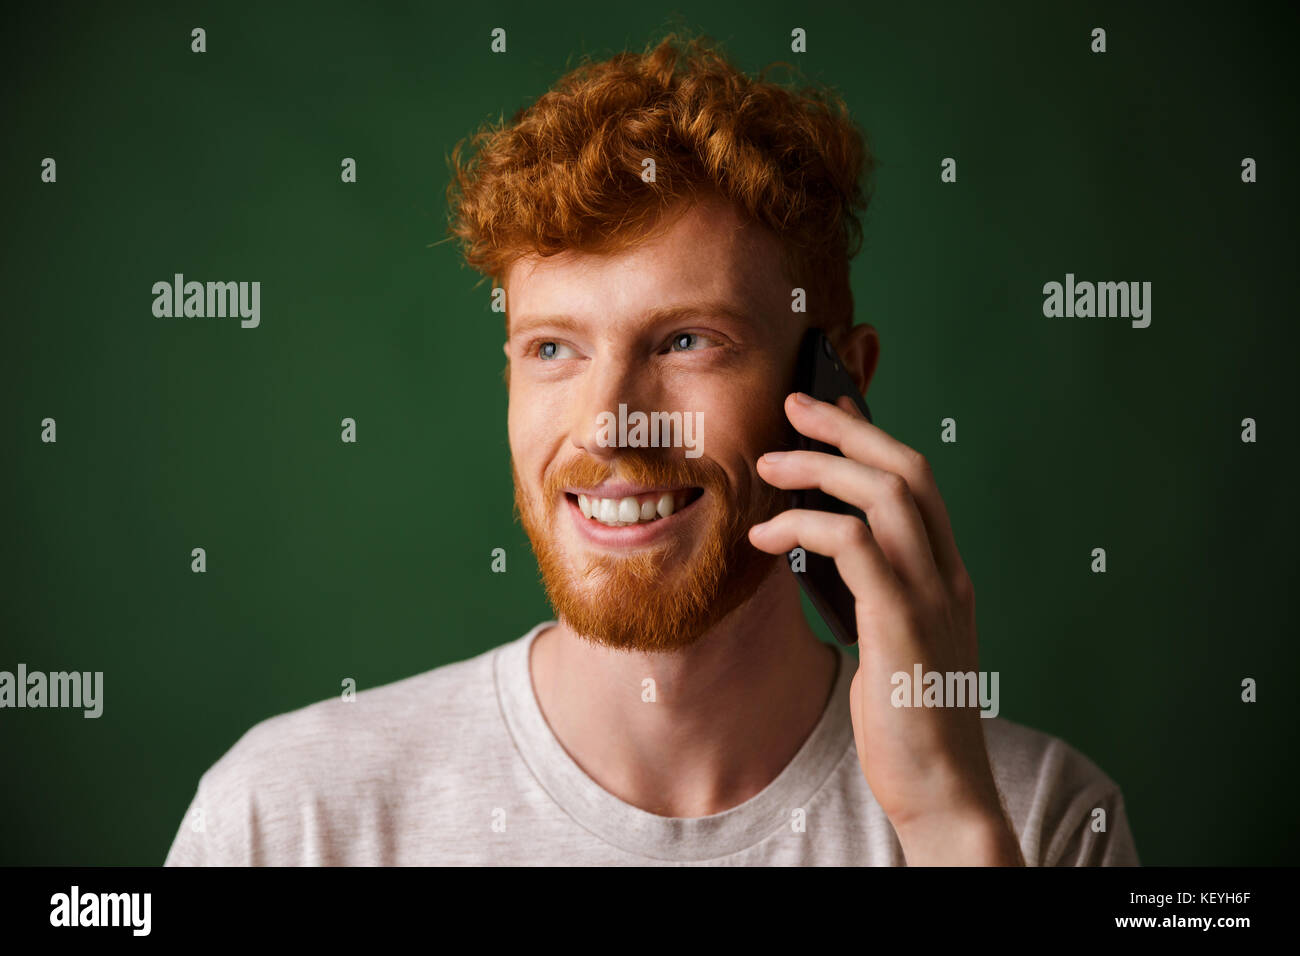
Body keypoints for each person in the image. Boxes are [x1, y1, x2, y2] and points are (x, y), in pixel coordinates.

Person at [165, 32, 1137, 866]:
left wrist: (947, 823)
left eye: (685, 341)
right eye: (552, 348)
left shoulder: (1041, 818)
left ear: (836, 383)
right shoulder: (284, 819)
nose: (608, 424)